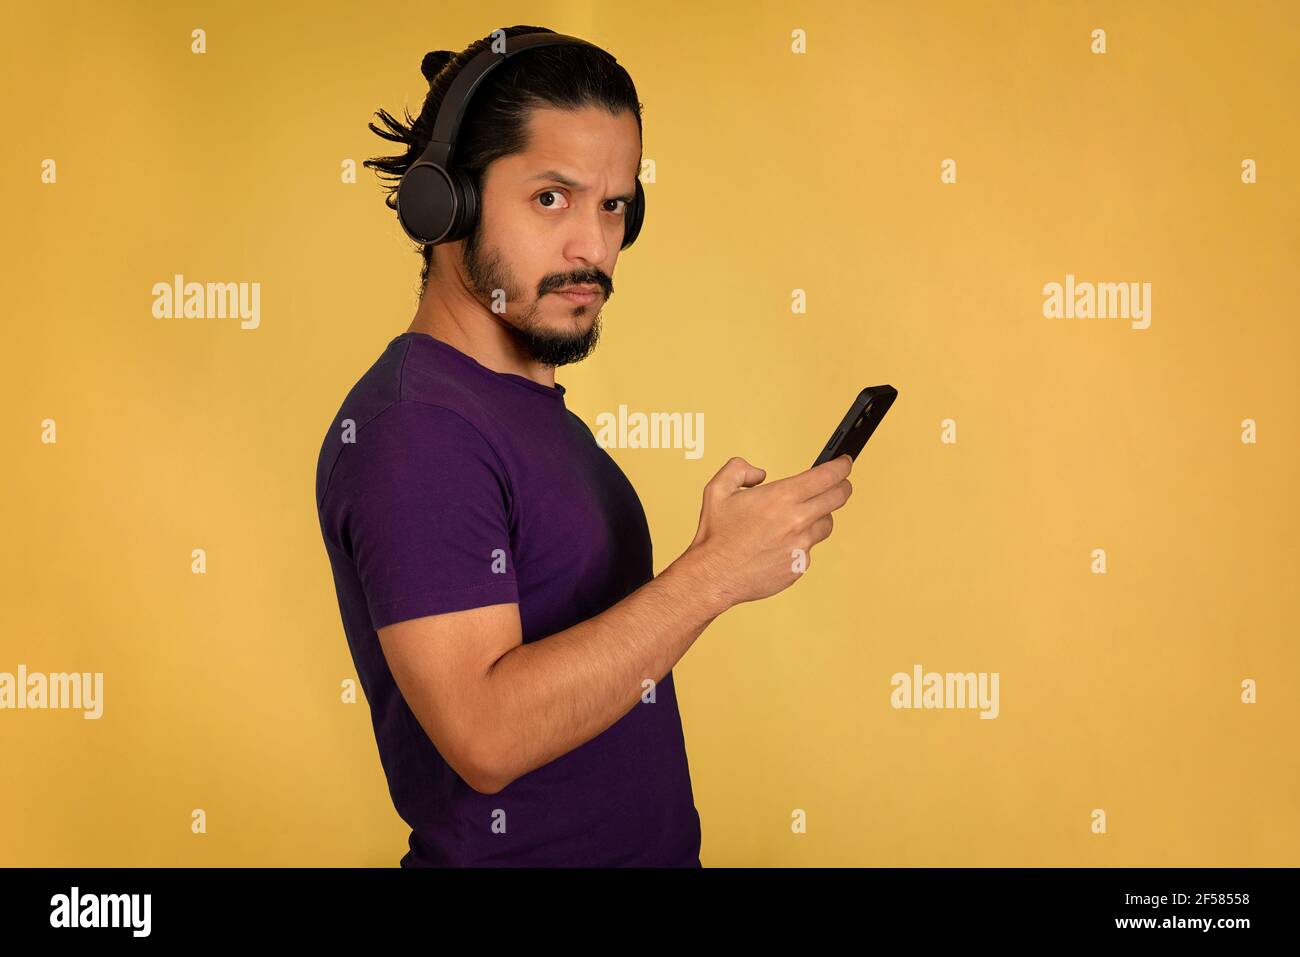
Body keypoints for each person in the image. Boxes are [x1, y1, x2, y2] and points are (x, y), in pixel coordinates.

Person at [314, 24, 854, 867]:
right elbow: (485, 735)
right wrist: (713, 574)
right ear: (445, 201)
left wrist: (718, 551)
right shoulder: (414, 430)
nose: (592, 247)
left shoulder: (526, 410)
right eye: (551, 198)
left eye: (614, 205)